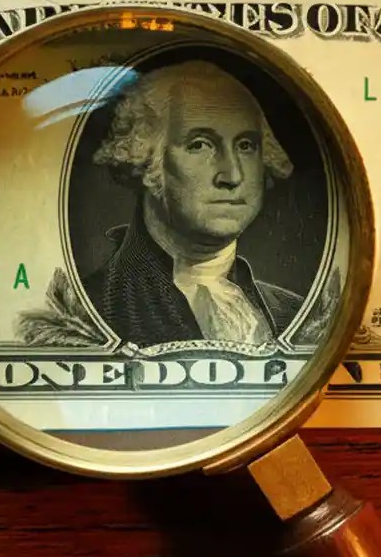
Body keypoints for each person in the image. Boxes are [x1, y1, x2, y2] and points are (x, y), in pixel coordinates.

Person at [81, 59, 303, 348]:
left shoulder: (294, 315)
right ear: (145, 158)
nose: (232, 175)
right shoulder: (87, 313)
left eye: (246, 145)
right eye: (199, 145)